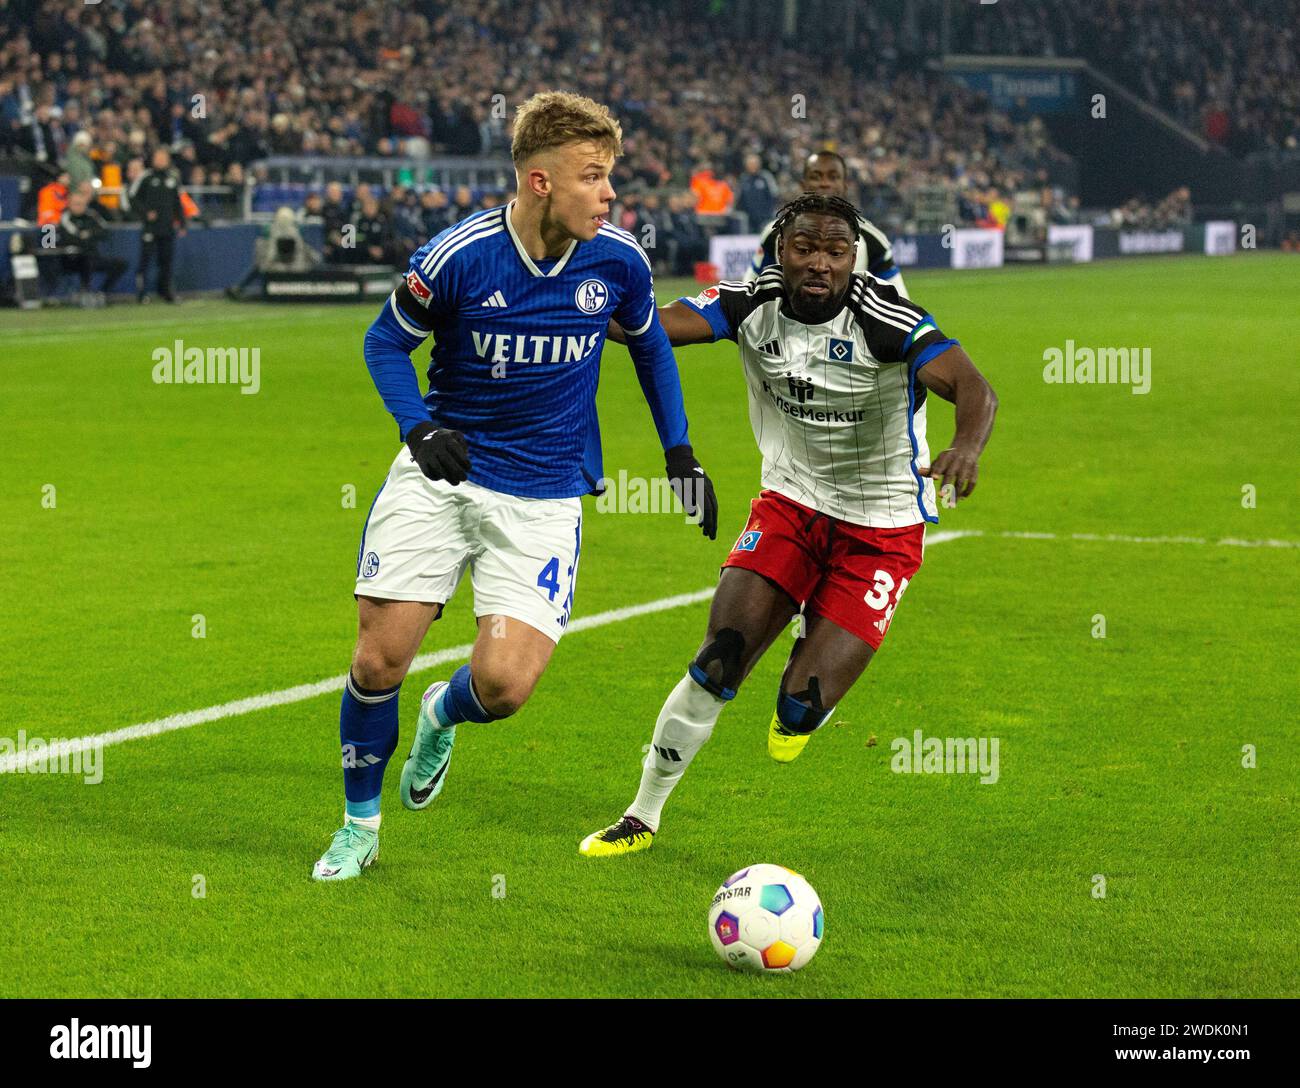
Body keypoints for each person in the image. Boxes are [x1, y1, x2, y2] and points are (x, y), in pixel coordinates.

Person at [311, 91, 720, 882]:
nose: (609, 194)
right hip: (442, 476)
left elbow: (648, 348)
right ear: (540, 182)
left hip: (542, 492)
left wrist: (679, 451)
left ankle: (442, 714)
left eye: (610, 177)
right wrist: (415, 426)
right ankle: (359, 825)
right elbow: (384, 342)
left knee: (501, 689)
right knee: (376, 663)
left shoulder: (618, 261)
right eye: (593, 177)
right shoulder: (458, 255)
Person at [580, 193, 998, 856]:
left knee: (796, 712)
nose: (820, 264)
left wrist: (966, 445)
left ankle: (814, 658)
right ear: (780, 249)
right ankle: (642, 814)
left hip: (881, 528)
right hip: (791, 505)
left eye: (837, 251)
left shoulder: (887, 319)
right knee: (719, 659)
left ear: (854, 258)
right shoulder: (750, 299)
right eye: (805, 247)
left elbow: (974, 386)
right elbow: (653, 328)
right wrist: (570, 307)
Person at [748, 150, 908, 296]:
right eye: (816, 176)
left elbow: (900, 302)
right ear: (803, 185)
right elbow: (749, 289)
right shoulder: (774, 233)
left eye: (833, 177)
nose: (824, 183)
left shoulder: (873, 240)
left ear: (845, 186)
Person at [226, 206, 320, 298]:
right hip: (275, 267)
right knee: (257, 267)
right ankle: (238, 288)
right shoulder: (272, 232)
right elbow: (269, 255)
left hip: (294, 268)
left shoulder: (294, 233)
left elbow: (305, 252)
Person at [129, 147, 184, 302]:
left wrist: (182, 223)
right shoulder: (146, 177)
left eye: (163, 158)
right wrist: (145, 213)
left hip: (167, 227)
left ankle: (166, 292)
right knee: (145, 261)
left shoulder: (172, 178)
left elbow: (178, 202)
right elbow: (132, 197)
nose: (160, 161)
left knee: (166, 262)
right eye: (158, 157)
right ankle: (141, 293)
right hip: (150, 227)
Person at [58, 186, 128, 298]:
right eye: (76, 204)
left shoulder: (91, 215)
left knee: (120, 264)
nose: (80, 207)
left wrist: (88, 235)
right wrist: (88, 238)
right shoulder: (65, 217)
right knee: (85, 259)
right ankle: (85, 293)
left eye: (82, 204)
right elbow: (69, 238)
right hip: (72, 259)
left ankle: (103, 293)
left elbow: (104, 232)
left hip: (93, 256)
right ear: (69, 204)